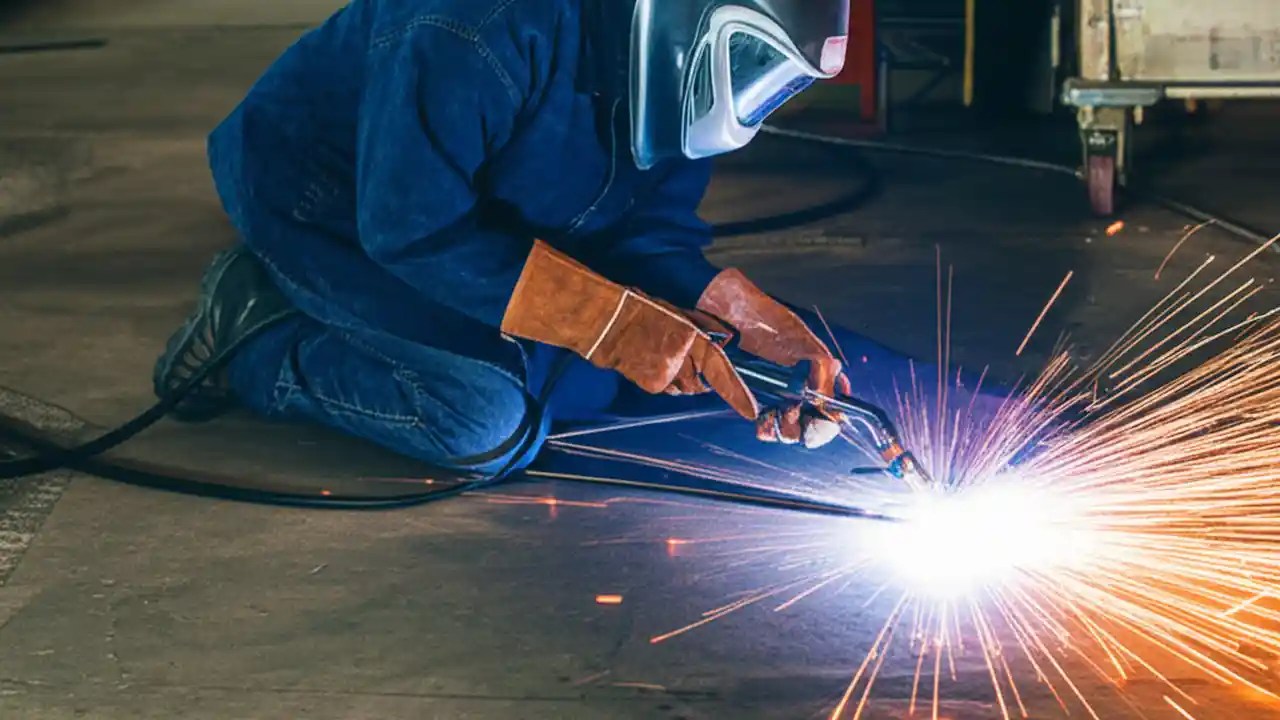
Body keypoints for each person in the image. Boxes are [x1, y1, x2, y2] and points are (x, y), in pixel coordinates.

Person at [154, 0, 858, 478]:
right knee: (490, 422)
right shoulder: (475, 23)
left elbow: (647, 226)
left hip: (474, 210)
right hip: (328, 200)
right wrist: (605, 323)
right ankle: (253, 328)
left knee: (589, 390)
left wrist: (736, 315)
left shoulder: (679, 60)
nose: (751, 99)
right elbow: (410, 224)